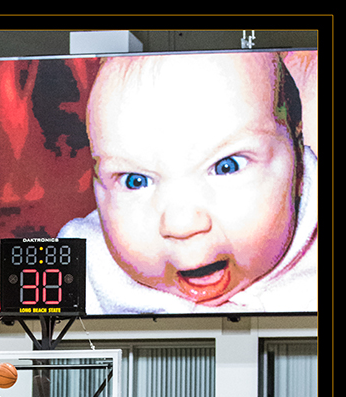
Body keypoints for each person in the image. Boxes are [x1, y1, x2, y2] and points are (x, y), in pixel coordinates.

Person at [59, 52, 316, 316]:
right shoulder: (83, 268)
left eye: (227, 167)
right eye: (135, 181)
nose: (181, 224)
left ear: (297, 163)